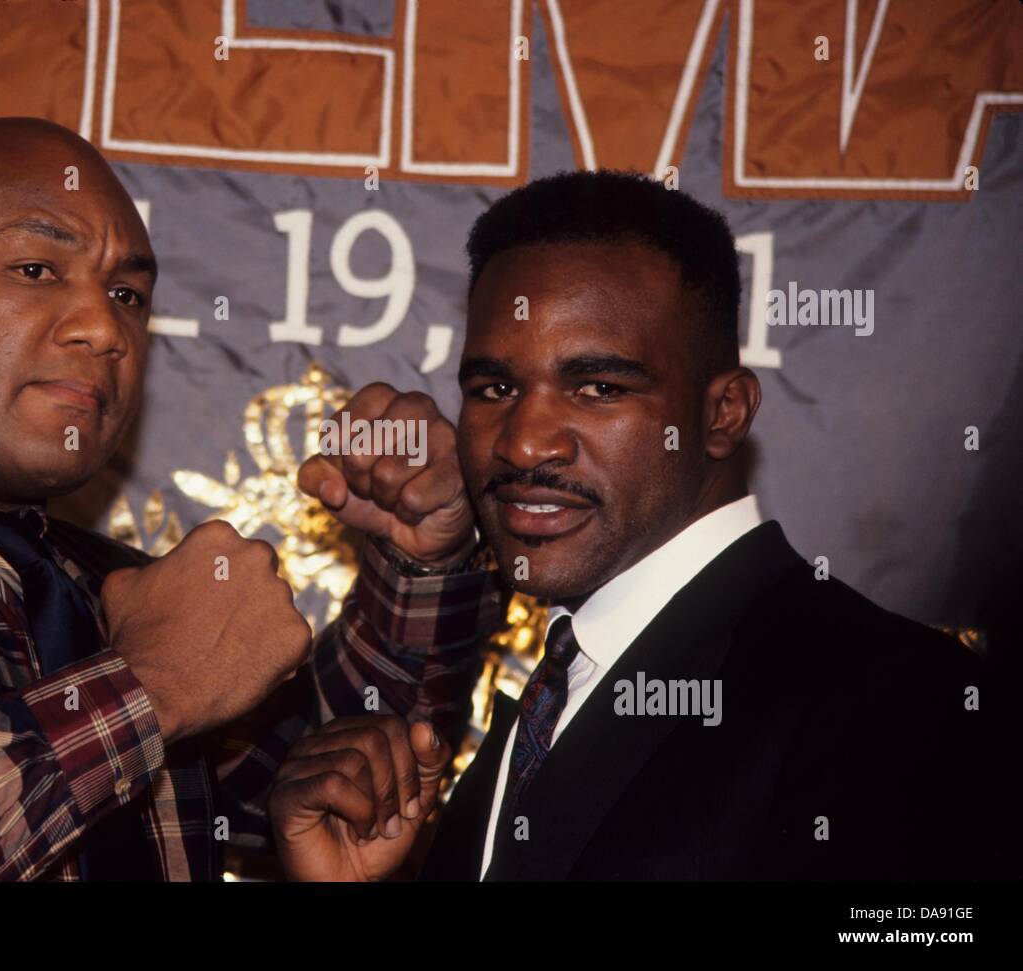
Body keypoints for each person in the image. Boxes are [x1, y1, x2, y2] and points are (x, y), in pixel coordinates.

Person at [0, 118, 506, 881]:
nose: (105, 328)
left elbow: (333, 784)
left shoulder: (113, 590)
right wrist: (148, 689)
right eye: (36, 270)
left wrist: (417, 559)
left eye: (128, 293)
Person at [270, 170, 1016, 881]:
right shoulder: (554, 695)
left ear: (723, 413)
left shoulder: (899, 705)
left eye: (598, 387)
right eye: (495, 387)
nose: (525, 441)